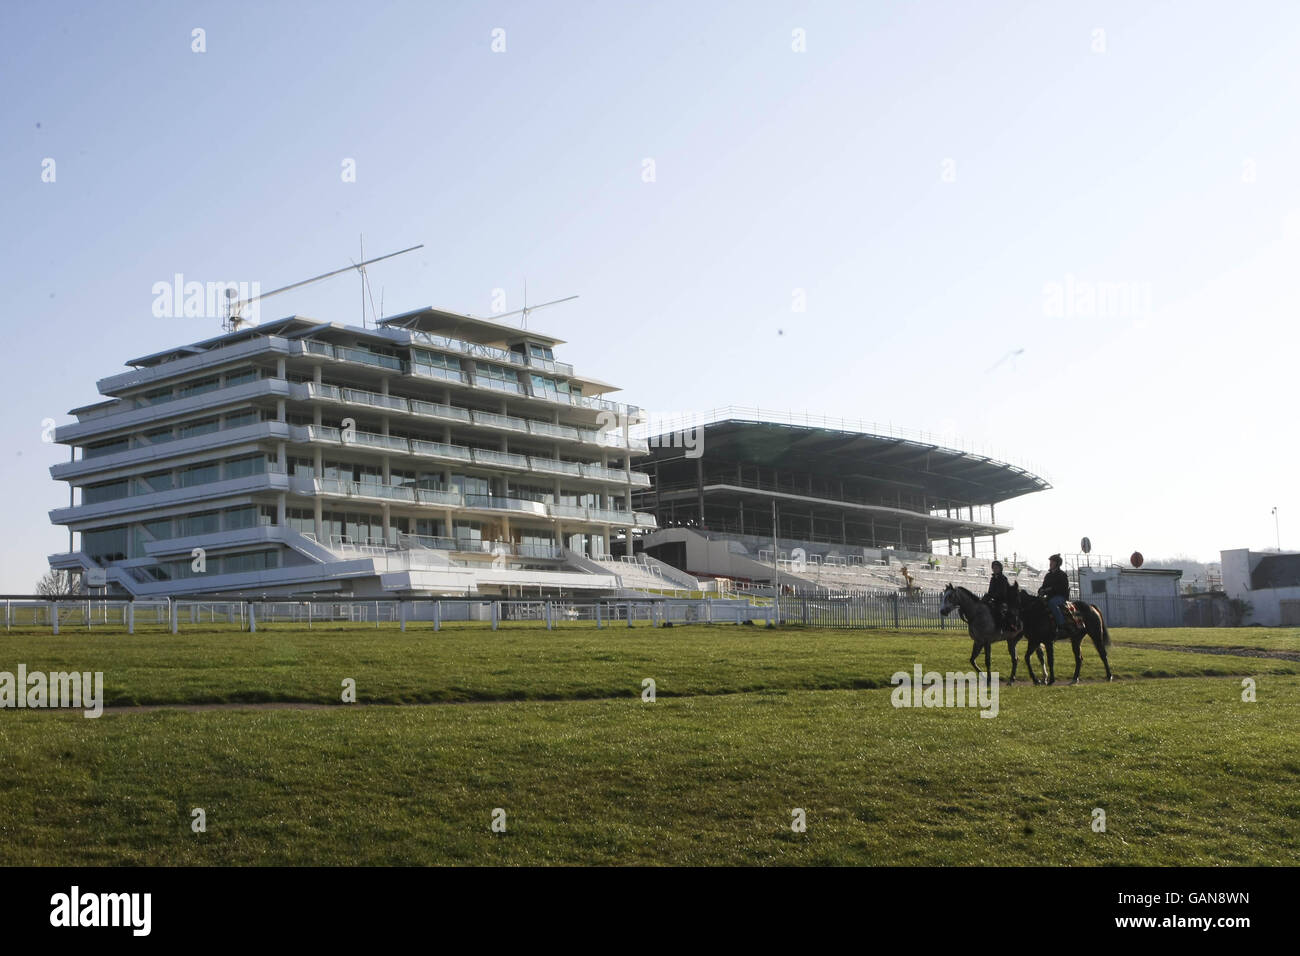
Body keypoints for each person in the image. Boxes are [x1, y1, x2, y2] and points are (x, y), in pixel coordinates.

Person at [1038, 553, 1070, 637]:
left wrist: (1050, 589)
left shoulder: (1062, 575)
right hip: (1050, 597)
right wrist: (1041, 590)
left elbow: (1062, 588)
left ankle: (1061, 626)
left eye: (1052, 561)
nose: (1050, 563)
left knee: (1052, 603)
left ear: (1057, 563)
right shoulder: (1048, 575)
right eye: (1050, 561)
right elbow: (1043, 586)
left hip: (1061, 597)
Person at [982, 560, 1010, 629]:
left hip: (1001, 600)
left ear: (1000, 569)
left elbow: (1003, 592)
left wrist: (993, 597)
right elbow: (990, 591)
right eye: (993, 568)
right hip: (993, 599)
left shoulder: (1003, 579)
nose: (995, 569)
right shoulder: (992, 579)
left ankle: (1000, 627)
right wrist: (987, 597)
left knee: (998, 611)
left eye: (996, 568)